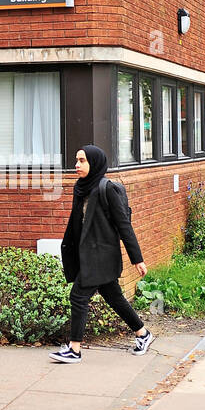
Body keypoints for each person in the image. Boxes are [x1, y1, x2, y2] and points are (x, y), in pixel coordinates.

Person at [51, 144, 152, 363]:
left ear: (94, 163)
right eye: (76, 160)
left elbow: (124, 225)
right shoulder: (81, 188)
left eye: (82, 161)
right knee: (114, 297)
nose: (76, 165)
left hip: (102, 257)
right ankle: (143, 334)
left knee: (78, 297)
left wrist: (137, 259)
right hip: (88, 256)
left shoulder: (108, 189)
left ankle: (74, 350)